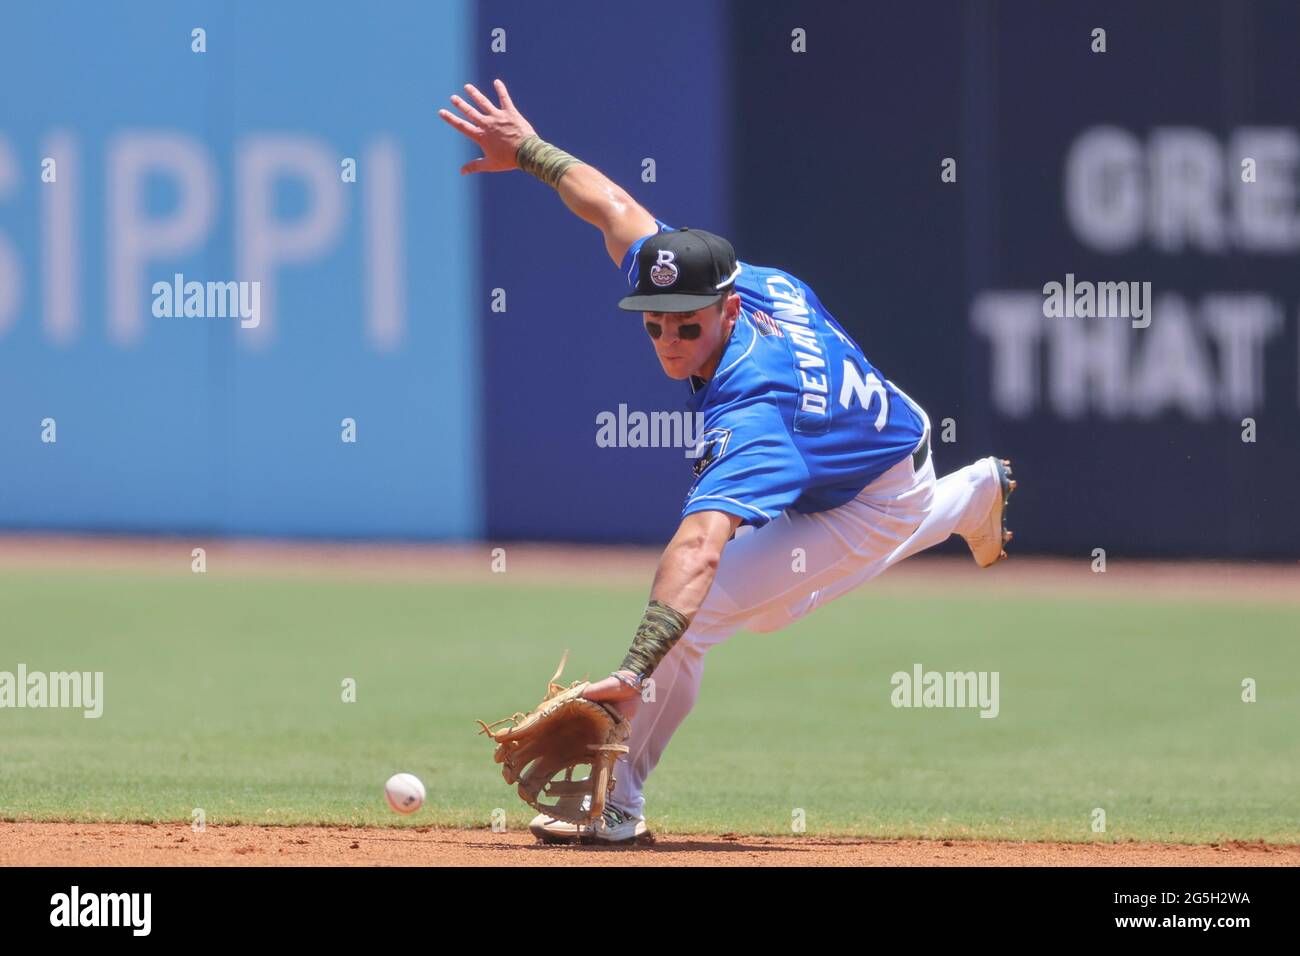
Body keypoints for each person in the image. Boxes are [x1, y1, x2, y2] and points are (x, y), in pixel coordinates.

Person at [439, 80, 1015, 844]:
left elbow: (700, 543)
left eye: (687, 327)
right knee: (770, 609)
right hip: (870, 431)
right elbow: (614, 208)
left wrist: (635, 672)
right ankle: (970, 494)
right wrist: (530, 152)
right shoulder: (730, 277)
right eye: (655, 326)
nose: (670, 341)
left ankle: (620, 805)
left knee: (699, 617)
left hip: (868, 494)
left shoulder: (753, 412)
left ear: (728, 310)